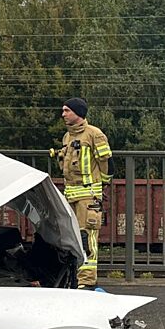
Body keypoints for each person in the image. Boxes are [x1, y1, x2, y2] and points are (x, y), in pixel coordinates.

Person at [56, 97, 112, 288]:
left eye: (67, 110)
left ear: (78, 113)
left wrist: (102, 186)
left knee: (87, 239)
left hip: (88, 198)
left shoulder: (94, 134)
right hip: (70, 196)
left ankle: (86, 282)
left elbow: (107, 164)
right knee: (70, 239)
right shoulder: (67, 137)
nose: (63, 114)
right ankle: (72, 278)